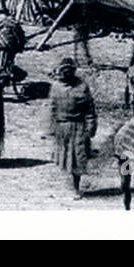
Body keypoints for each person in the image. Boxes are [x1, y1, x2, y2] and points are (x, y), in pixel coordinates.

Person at [48, 57, 96, 197]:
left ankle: (76, 187)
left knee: (77, 159)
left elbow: (90, 110)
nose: (66, 73)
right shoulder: (56, 87)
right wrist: (50, 128)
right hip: (62, 127)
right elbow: (52, 107)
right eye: (63, 71)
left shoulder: (82, 87)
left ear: (73, 72)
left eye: (69, 70)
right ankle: (67, 185)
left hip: (78, 127)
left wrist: (90, 129)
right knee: (64, 158)